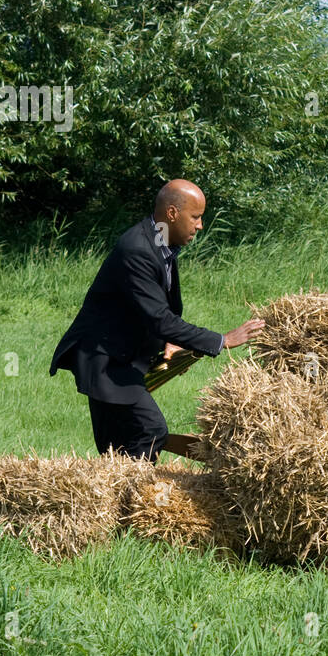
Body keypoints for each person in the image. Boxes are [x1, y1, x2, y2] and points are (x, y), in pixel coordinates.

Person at [49, 179, 264, 460]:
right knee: (151, 431)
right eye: (196, 217)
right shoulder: (137, 249)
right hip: (104, 361)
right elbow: (160, 319)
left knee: (116, 447)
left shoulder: (161, 243)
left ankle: (118, 497)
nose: (199, 226)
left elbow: (151, 310)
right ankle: (137, 499)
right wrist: (222, 340)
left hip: (122, 358)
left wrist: (170, 342)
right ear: (173, 213)